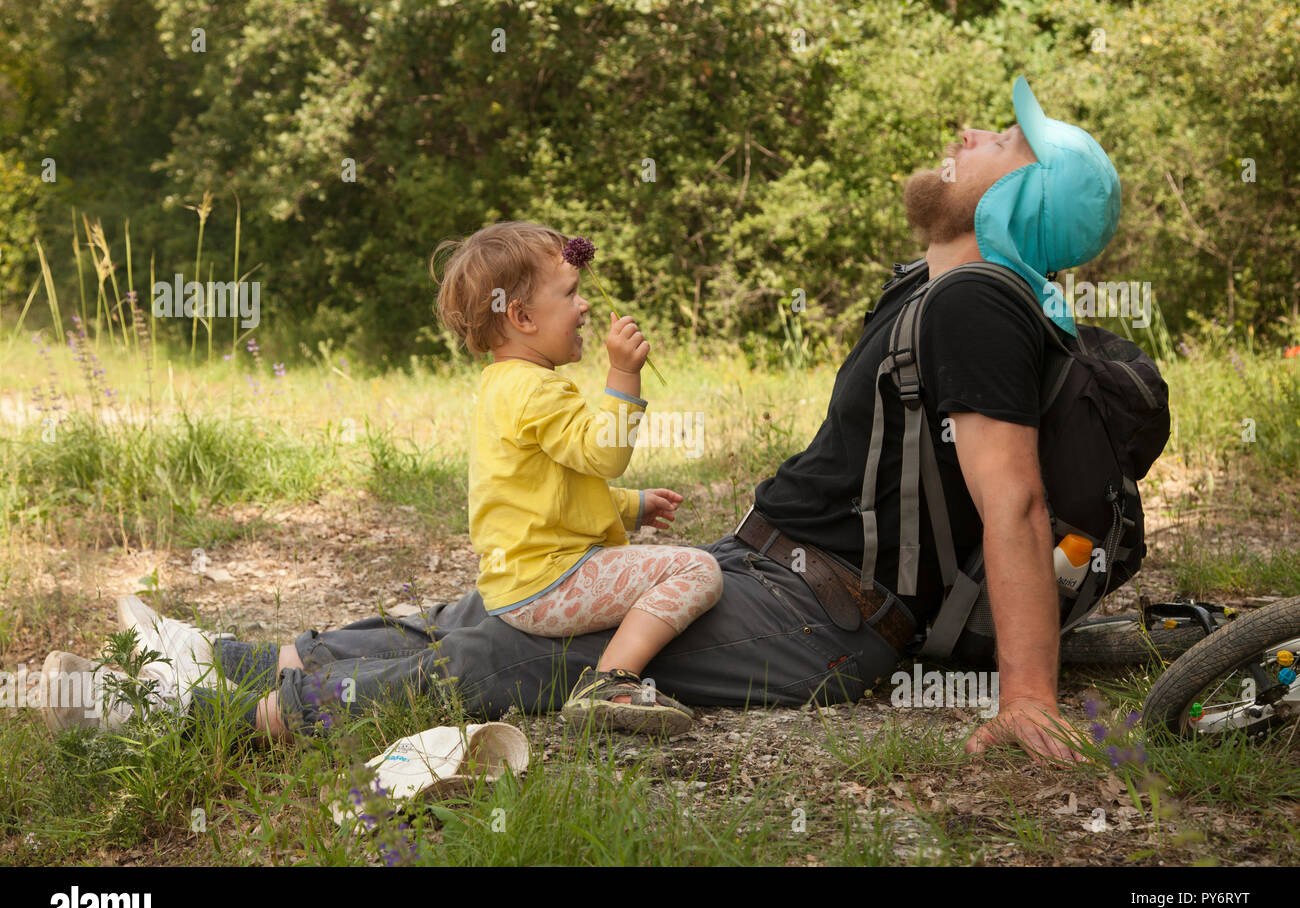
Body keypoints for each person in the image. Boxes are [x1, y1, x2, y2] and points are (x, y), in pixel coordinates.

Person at [43, 76, 1118, 763]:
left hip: (821, 622)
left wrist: (1025, 691)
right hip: (772, 571)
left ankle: (210, 721)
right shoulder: (926, 290)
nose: (971, 127)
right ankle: (232, 656)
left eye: (1005, 141)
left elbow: (1012, 500)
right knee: (511, 603)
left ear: (1015, 204)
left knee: (519, 655)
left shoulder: (979, 303)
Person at [432, 222, 722, 734]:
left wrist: (631, 506)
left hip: (516, 583)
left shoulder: (502, 385)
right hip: (550, 583)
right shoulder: (540, 391)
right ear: (521, 316)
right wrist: (623, 375)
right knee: (698, 570)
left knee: (683, 565)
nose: (584, 304)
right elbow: (604, 455)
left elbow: (553, 491)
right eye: (570, 293)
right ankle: (610, 680)